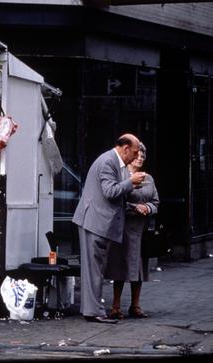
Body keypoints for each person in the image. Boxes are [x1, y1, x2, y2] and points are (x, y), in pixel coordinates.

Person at [72, 134, 146, 324]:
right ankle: (93, 311)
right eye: (135, 152)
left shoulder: (113, 162)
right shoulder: (108, 162)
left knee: (94, 268)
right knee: (93, 269)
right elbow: (110, 192)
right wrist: (131, 182)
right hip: (95, 221)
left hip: (98, 221)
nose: (137, 156)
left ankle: (92, 309)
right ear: (126, 148)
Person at [105, 143, 159, 319]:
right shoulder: (122, 177)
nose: (140, 158)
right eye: (138, 155)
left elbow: (156, 201)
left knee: (139, 268)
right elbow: (116, 200)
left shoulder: (149, 178)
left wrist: (148, 208)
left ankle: (136, 306)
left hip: (142, 229)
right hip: (124, 228)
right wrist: (136, 207)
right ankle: (116, 306)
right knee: (120, 266)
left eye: (143, 156)